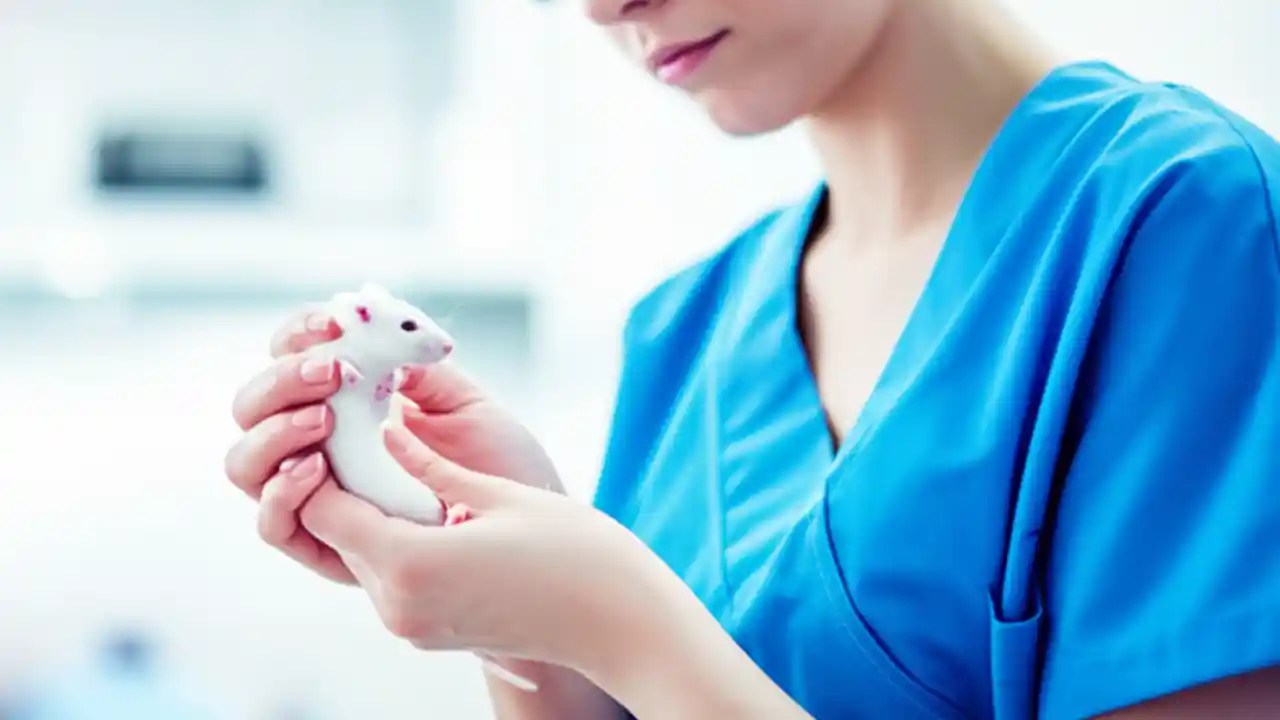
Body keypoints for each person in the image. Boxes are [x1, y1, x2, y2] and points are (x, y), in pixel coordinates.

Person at [224, 0, 1280, 717]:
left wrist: (620, 624)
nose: (600, 4)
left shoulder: (1186, 221)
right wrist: (528, 623)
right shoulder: (686, 329)